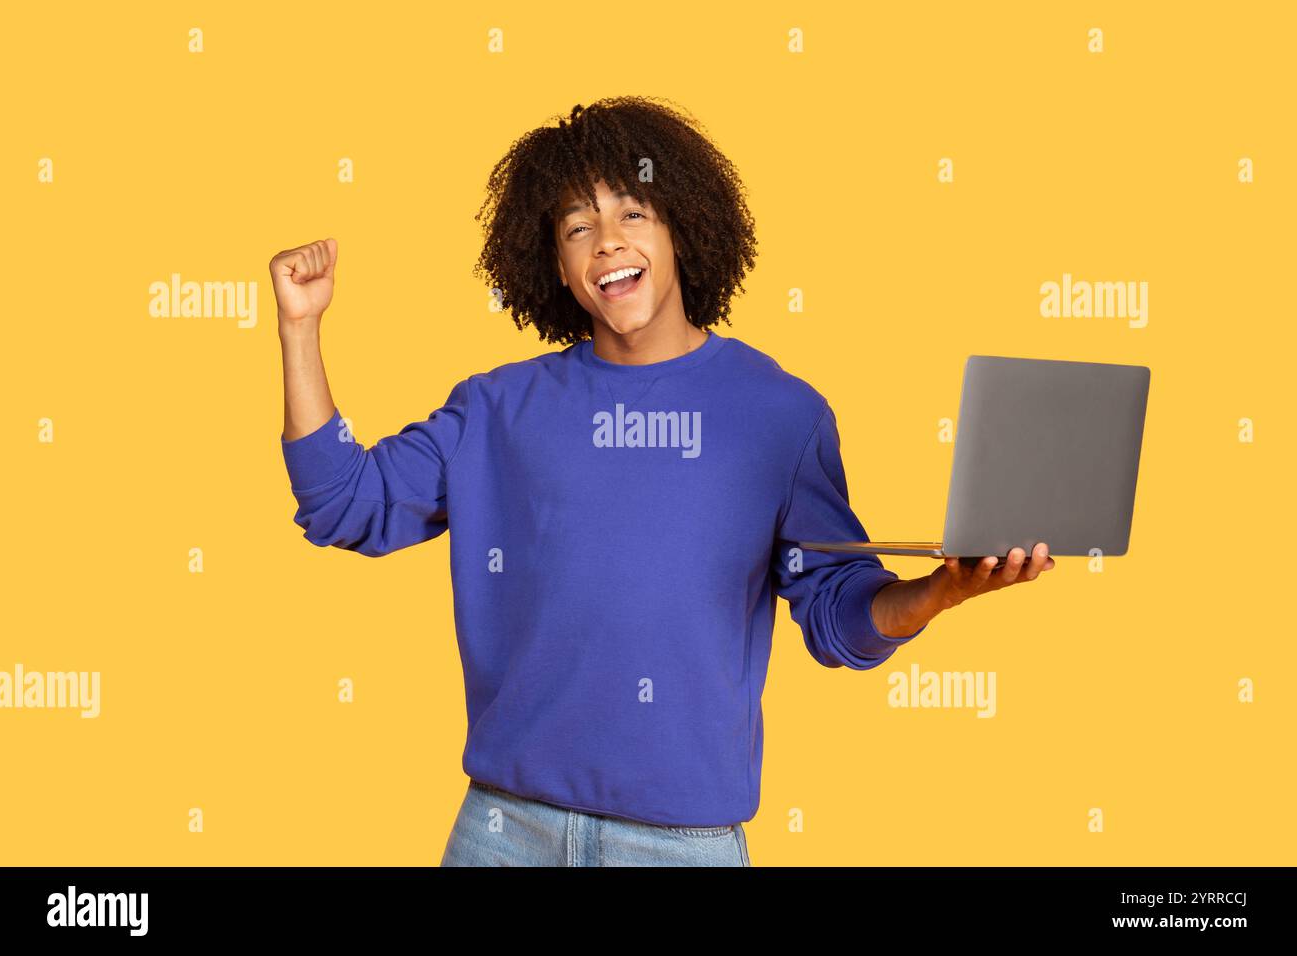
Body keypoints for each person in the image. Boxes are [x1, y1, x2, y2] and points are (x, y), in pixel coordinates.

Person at [270, 96, 1054, 867]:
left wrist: (941, 592)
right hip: (502, 832)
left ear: (682, 228)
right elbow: (344, 503)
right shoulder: (496, 411)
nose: (606, 242)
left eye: (633, 213)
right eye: (578, 227)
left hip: (679, 846)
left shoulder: (781, 415)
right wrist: (300, 328)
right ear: (559, 269)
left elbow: (838, 616)